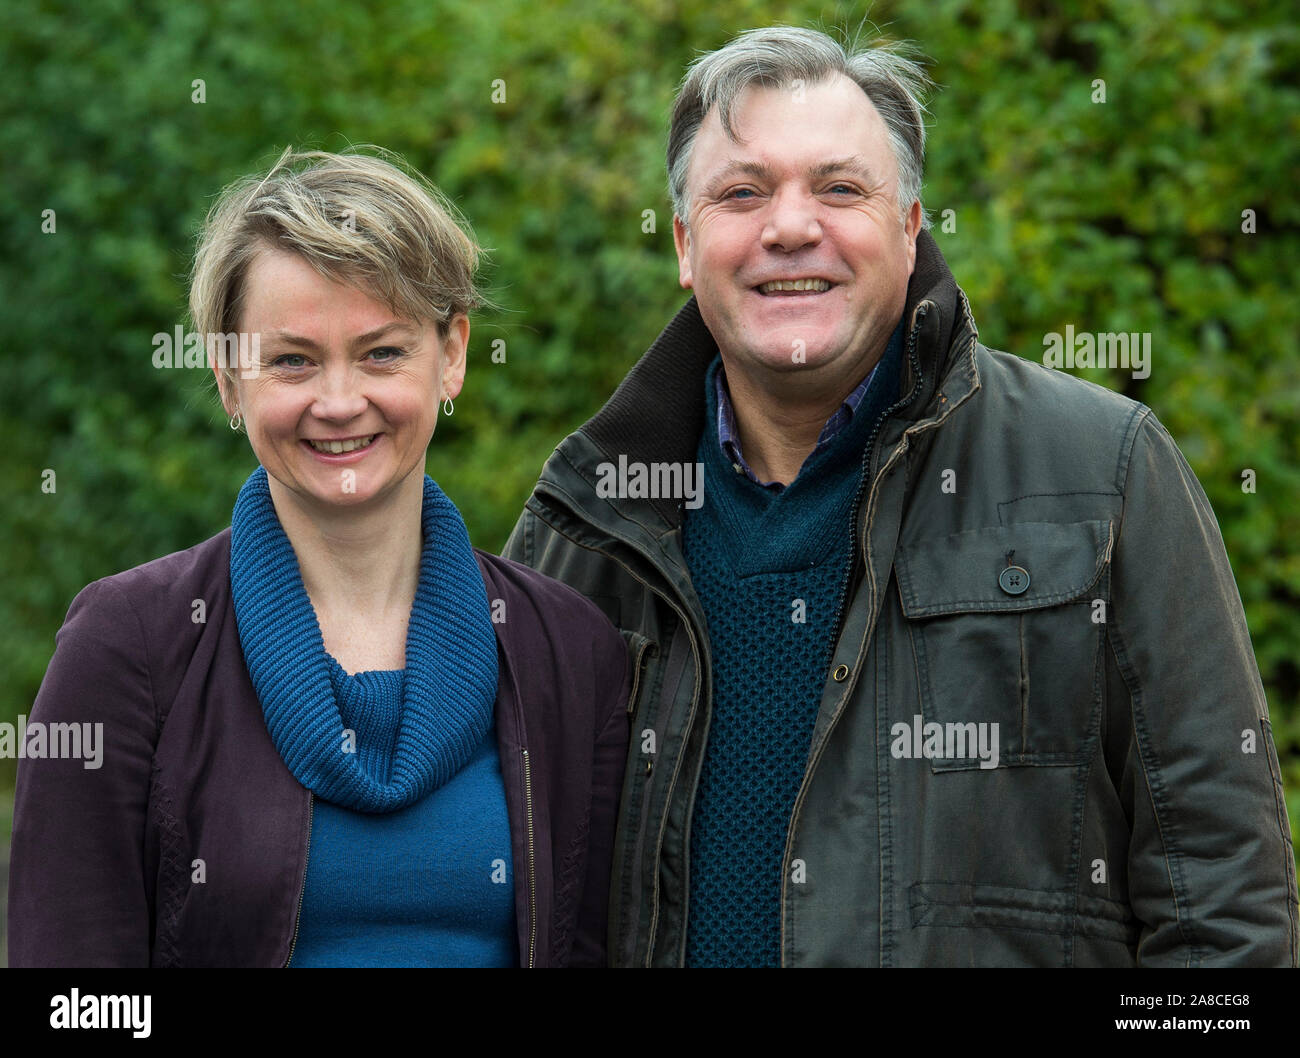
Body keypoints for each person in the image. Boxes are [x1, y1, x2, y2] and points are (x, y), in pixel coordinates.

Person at [503, 27, 1299, 966]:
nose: (790, 226)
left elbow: (1225, 901)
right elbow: (507, 895)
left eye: (840, 189)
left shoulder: (1103, 471)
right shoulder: (590, 521)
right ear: (684, 245)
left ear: (912, 225)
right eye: (741, 192)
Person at [8, 147, 631, 967]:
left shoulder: (568, 650)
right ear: (230, 378)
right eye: (293, 360)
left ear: (452, 355)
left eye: (382, 353)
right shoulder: (129, 645)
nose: (339, 402)